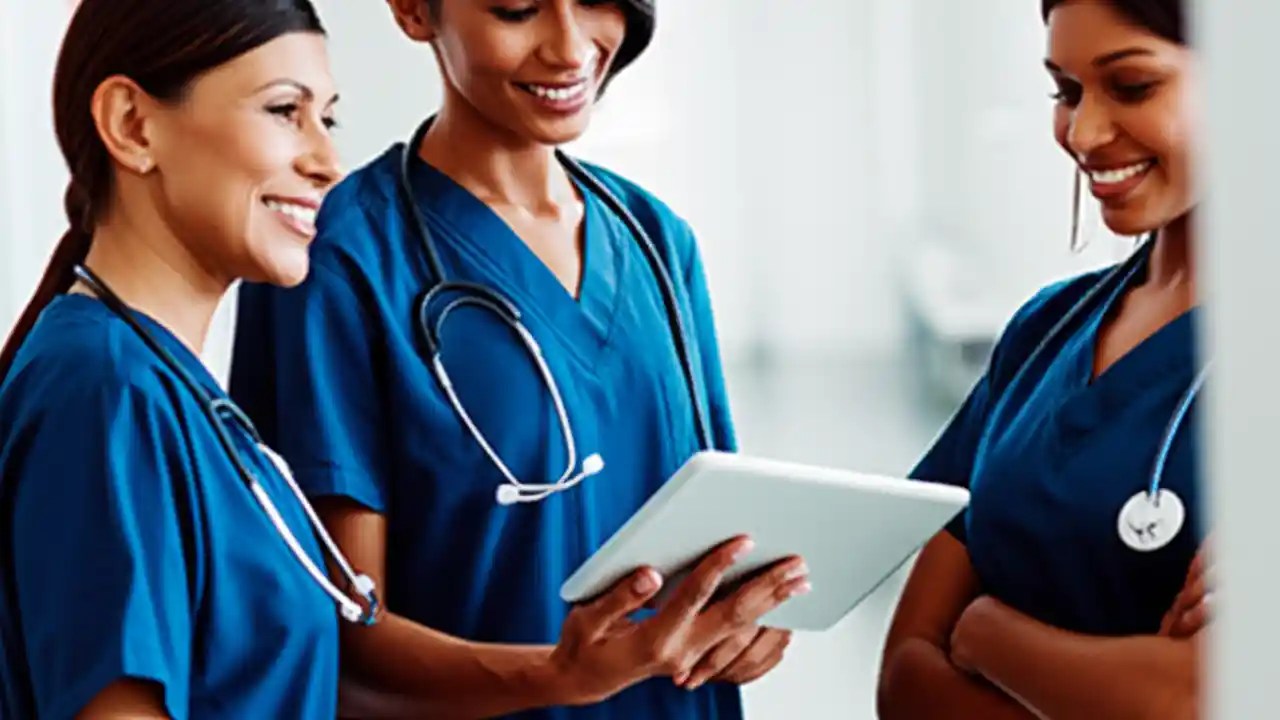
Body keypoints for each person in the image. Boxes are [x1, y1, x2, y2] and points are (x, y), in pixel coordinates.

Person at [229, 0, 810, 717]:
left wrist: (746, 621)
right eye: (517, 9)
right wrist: (562, 674)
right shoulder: (340, 258)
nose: (570, 49)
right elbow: (338, 633)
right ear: (414, 11)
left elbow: (721, 540)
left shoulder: (658, 241)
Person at [0, 2, 373, 718]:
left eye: (328, 118)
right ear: (133, 126)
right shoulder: (108, 393)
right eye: (283, 110)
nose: (327, 162)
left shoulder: (175, 395)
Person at [877, 1, 1210, 718]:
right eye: (1066, 91)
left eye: (1132, 86)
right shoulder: (1044, 329)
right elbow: (904, 678)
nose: (1082, 132)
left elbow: (1192, 700)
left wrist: (984, 631)